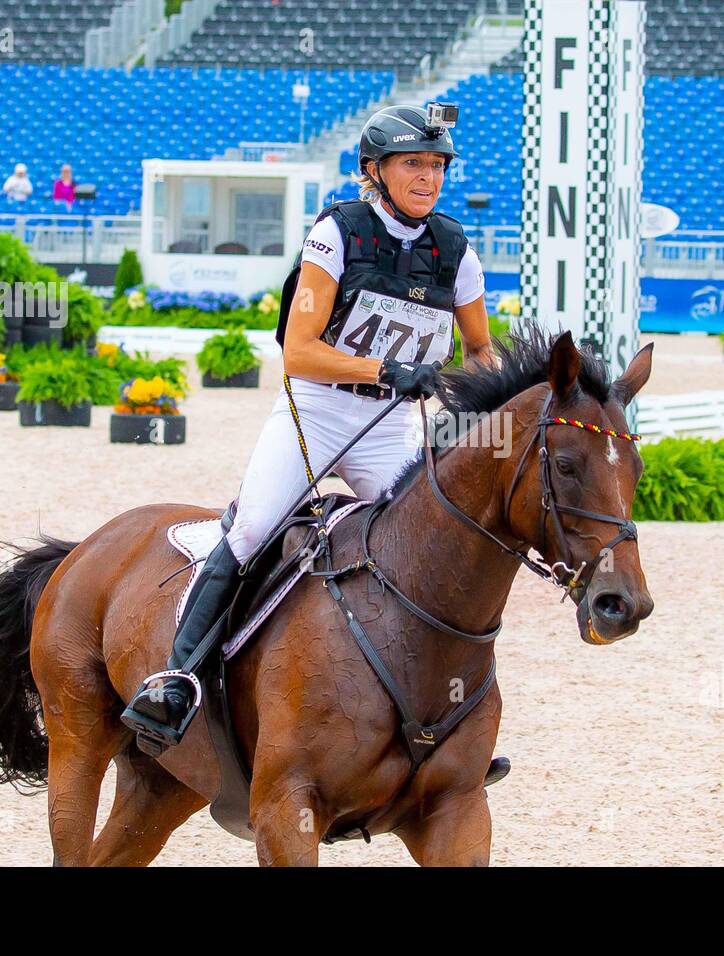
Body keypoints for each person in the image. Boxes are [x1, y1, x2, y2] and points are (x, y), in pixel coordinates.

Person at [121, 105, 497, 753]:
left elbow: (479, 350)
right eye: (415, 163)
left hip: (389, 424)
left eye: (437, 166)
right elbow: (298, 350)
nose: (429, 177)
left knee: (432, 551)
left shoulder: (455, 249)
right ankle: (177, 676)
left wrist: (482, 401)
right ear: (375, 172)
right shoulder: (338, 233)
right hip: (316, 410)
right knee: (255, 527)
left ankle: (444, 713)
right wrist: (388, 367)